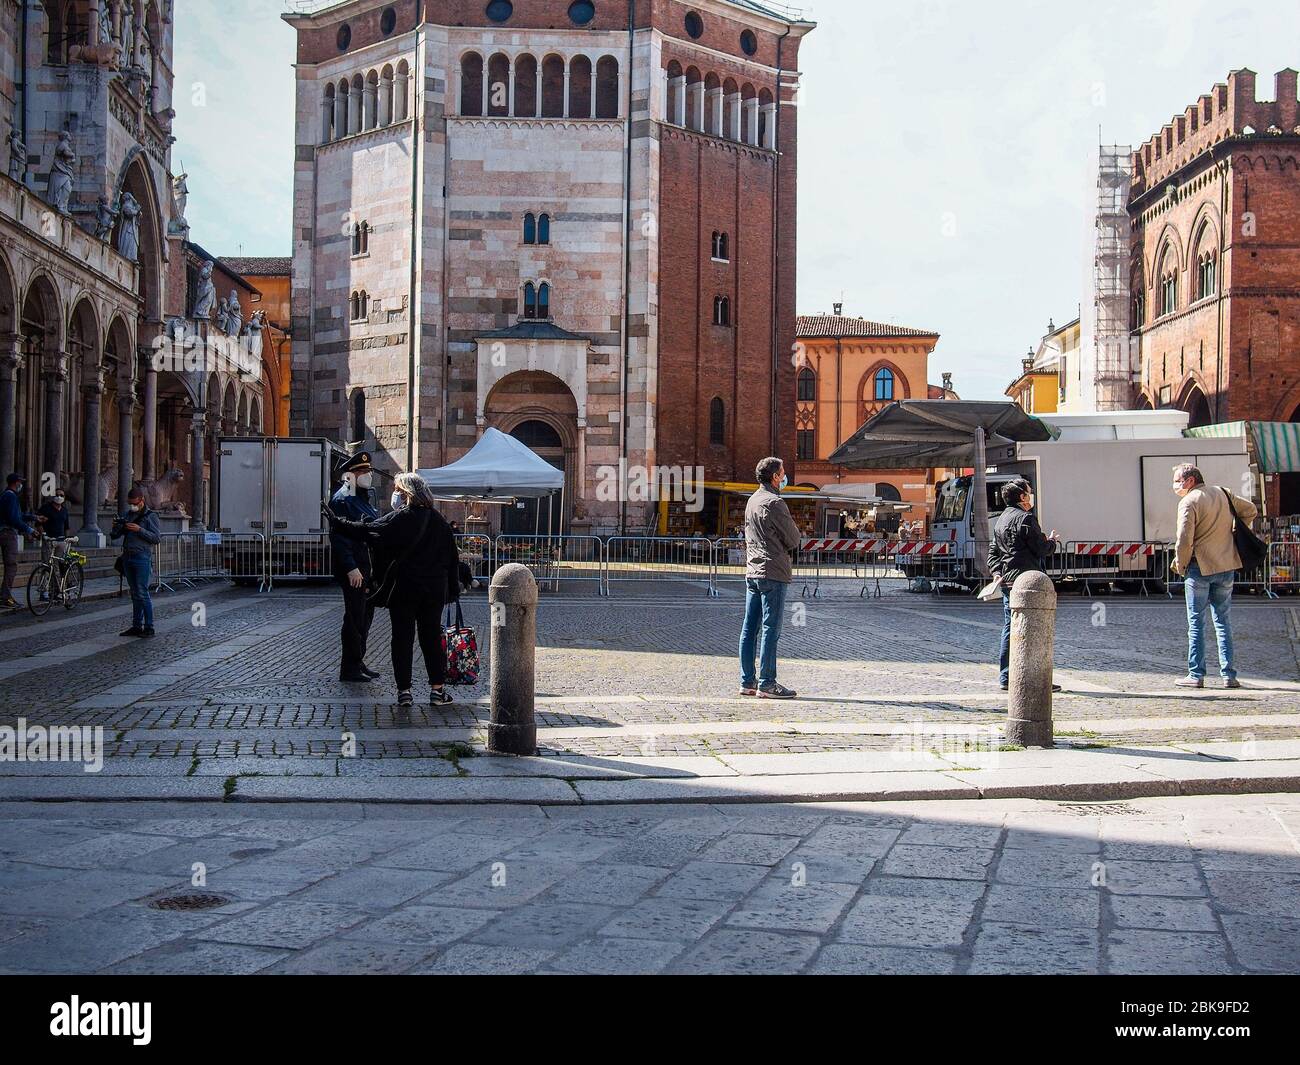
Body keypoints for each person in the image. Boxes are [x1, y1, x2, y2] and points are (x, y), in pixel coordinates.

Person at [325, 471, 461, 708]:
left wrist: (338, 522)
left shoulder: (400, 518)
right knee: (430, 639)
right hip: (433, 592)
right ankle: (437, 691)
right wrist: (452, 592)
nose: (394, 494)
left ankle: (404, 692)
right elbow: (452, 559)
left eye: (397, 490)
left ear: (407, 493)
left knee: (402, 639)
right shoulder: (440, 521)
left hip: (404, 589)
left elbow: (367, 530)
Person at [1171, 463, 1258, 689]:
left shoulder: (1188, 502)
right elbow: (1250, 510)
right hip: (1226, 565)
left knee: (1196, 623)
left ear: (1189, 480)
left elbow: (1184, 539)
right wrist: (1233, 533)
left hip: (1199, 567)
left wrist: (1179, 565)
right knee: (1223, 622)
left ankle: (1196, 674)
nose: (1175, 484)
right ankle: (1229, 675)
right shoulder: (1223, 493)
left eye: (1177, 479)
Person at [987, 479, 1061, 692]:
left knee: (1010, 628)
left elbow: (993, 552)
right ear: (1023, 497)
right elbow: (1040, 549)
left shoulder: (1001, 520)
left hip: (1008, 582)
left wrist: (997, 572)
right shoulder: (1027, 518)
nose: (1031, 495)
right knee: (1034, 629)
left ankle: (1006, 676)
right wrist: (1053, 542)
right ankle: (1034, 678)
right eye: (1029, 492)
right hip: (1029, 582)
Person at [739, 456, 801, 699]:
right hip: (773, 571)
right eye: (783, 473)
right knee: (770, 629)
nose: (785, 477)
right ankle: (767, 683)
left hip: (753, 570)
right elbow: (794, 538)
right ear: (775, 477)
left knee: (748, 629)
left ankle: (747, 681)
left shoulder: (752, 501)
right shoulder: (775, 503)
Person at [329, 452, 380, 683]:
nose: (368, 475)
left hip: (365, 567)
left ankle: (358, 660)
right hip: (355, 569)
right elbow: (339, 536)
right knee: (354, 618)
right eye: (363, 472)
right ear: (351, 475)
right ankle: (349, 668)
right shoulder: (343, 500)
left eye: (368, 471)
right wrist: (350, 567)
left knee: (364, 618)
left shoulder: (360, 497)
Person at [109, 485, 161, 637]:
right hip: (127, 556)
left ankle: (149, 627)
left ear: (141, 501)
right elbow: (114, 536)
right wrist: (116, 527)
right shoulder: (127, 514)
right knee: (134, 593)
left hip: (142, 556)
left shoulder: (151, 516)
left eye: (134, 503)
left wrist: (139, 529)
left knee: (142, 592)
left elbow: (156, 538)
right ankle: (136, 625)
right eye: (130, 503)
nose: (132, 506)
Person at [1, 472, 39, 608]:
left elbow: (18, 515)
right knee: (11, 566)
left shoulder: (6, 495)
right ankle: (5, 597)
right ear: (15, 483)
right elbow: (13, 519)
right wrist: (30, 530)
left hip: (5, 532)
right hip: (7, 533)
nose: (21, 485)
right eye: (20, 482)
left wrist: (34, 518)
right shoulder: (11, 497)